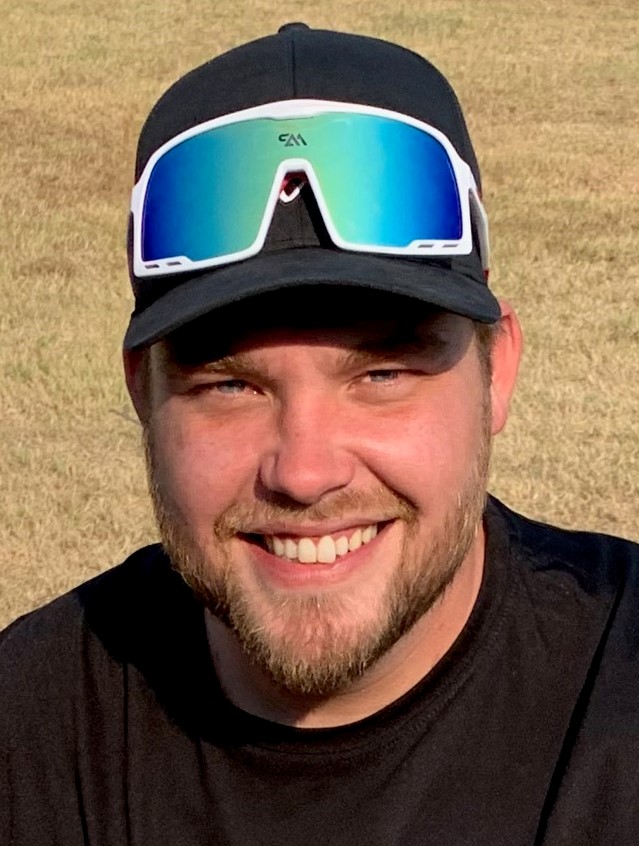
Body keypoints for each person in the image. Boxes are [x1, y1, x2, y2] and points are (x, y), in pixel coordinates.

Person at [1, 22, 638, 845]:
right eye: (230, 386)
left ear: (496, 374)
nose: (304, 473)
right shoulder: (29, 737)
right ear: (143, 395)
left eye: (381, 375)